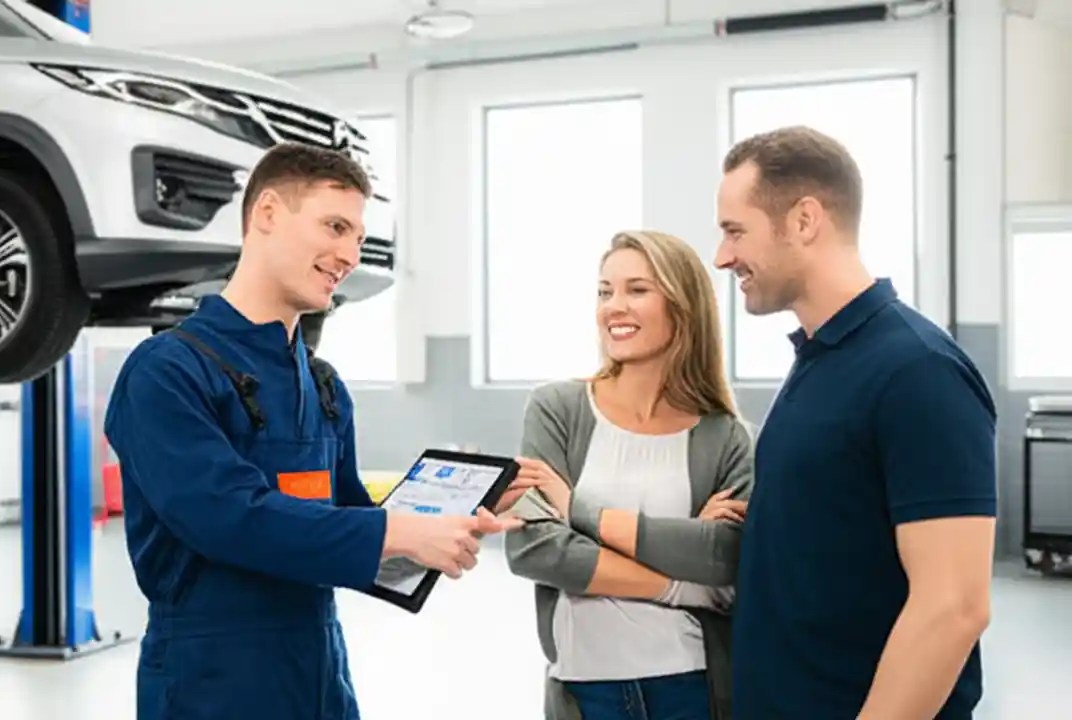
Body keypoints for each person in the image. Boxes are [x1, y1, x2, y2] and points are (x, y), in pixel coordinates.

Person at [103, 141, 526, 720]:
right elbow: (230, 517)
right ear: (268, 213)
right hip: (212, 682)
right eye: (335, 226)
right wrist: (396, 533)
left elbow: (346, 528)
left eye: (357, 236)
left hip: (320, 674)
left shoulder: (323, 386)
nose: (350, 253)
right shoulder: (166, 372)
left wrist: (447, 521)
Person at [715, 125, 996, 719]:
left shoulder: (917, 370)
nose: (723, 257)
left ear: (805, 220)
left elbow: (954, 607)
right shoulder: (821, 357)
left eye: (735, 231)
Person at [503, 230, 757, 720]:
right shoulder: (557, 408)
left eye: (637, 290)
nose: (613, 307)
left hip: (692, 685)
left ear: (682, 306)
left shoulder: (725, 436)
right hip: (585, 689)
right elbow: (536, 548)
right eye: (604, 291)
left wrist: (577, 510)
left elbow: (725, 558)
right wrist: (681, 582)